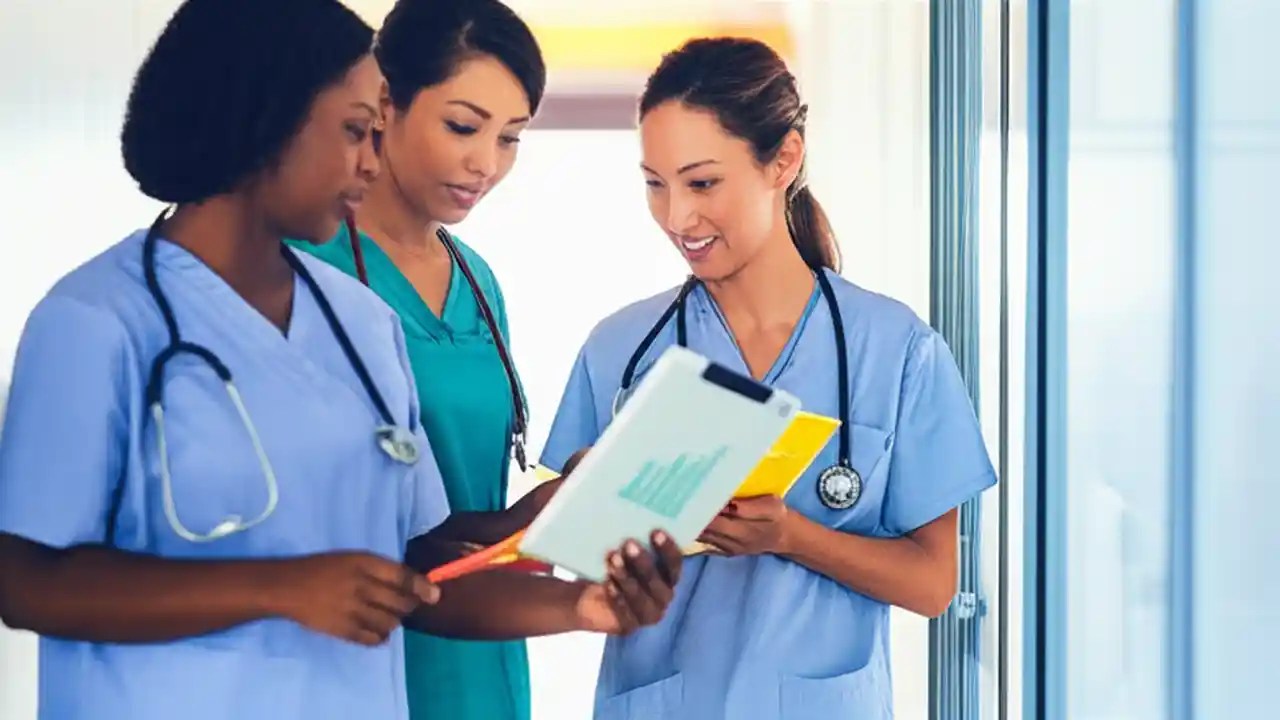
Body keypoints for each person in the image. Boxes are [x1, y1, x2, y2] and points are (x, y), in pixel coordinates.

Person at [0, 2, 681, 719]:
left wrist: (584, 603)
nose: (370, 159)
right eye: (356, 131)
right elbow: (22, 579)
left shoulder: (363, 326)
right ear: (268, 119)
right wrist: (278, 588)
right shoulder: (96, 320)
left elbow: (415, 562)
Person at [539, 37, 998, 720]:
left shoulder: (896, 350)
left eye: (701, 183)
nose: (675, 217)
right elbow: (570, 563)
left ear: (784, 158)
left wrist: (790, 537)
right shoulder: (621, 351)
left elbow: (933, 585)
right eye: (655, 184)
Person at [284, 2, 555, 718]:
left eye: (510, 138)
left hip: (486, 658)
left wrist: (558, 511)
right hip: (365, 664)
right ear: (385, 103)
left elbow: (471, 499)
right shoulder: (303, 270)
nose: (486, 164)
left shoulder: (478, 279)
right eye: (463, 127)